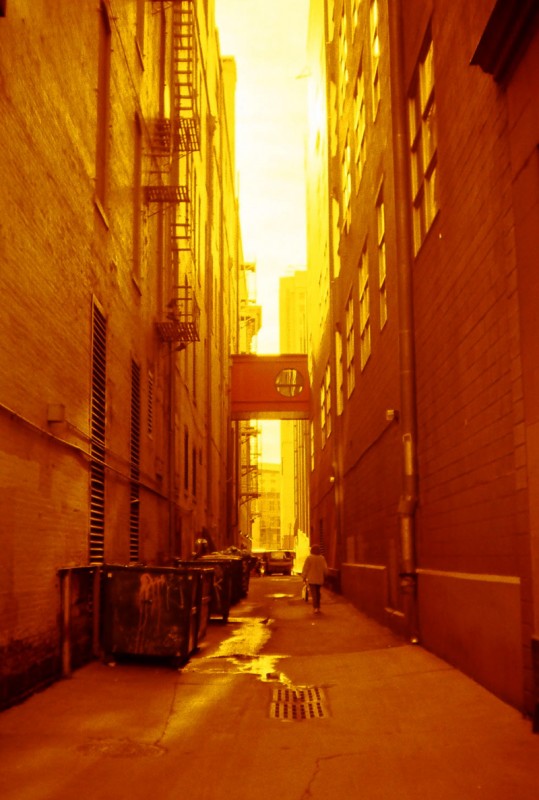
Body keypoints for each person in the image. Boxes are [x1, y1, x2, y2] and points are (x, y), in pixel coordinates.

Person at [301, 544, 328, 613]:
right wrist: (326, 575)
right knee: (318, 593)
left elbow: (305, 568)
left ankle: (315, 607)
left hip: (312, 579)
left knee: (314, 594)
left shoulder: (309, 558)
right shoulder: (322, 558)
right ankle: (318, 607)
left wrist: (304, 577)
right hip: (319, 578)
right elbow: (325, 568)